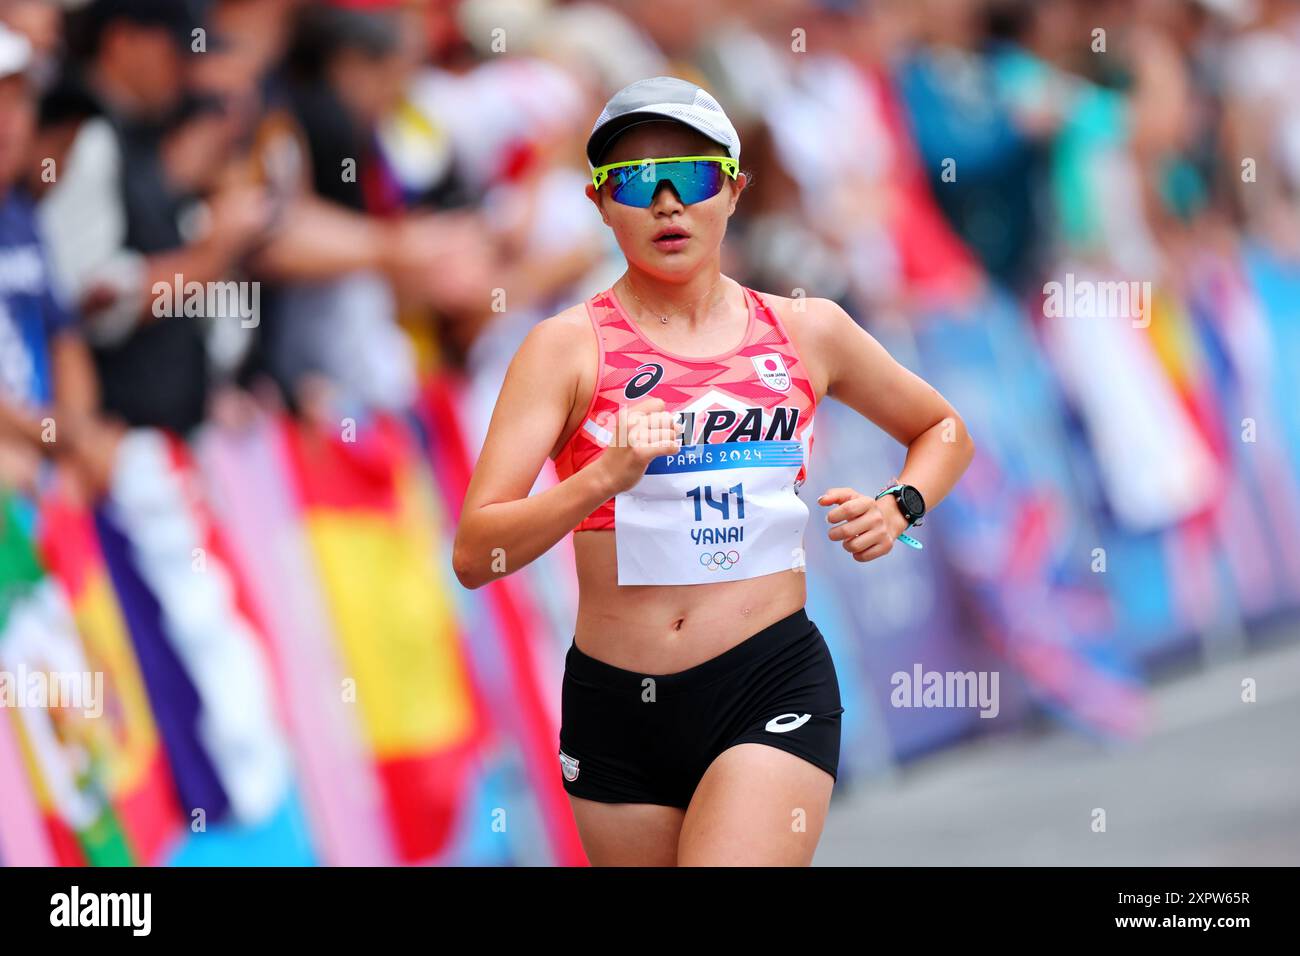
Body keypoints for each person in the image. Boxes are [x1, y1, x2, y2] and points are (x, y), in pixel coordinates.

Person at [452, 76, 975, 866]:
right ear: (600, 206)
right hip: (616, 708)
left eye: (692, 175)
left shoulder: (808, 330)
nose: (666, 202)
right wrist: (599, 477)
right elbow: (475, 553)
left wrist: (901, 505)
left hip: (768, 683)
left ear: (732, 190)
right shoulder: (562, 350)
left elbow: (942, 428)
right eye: (633, 182)